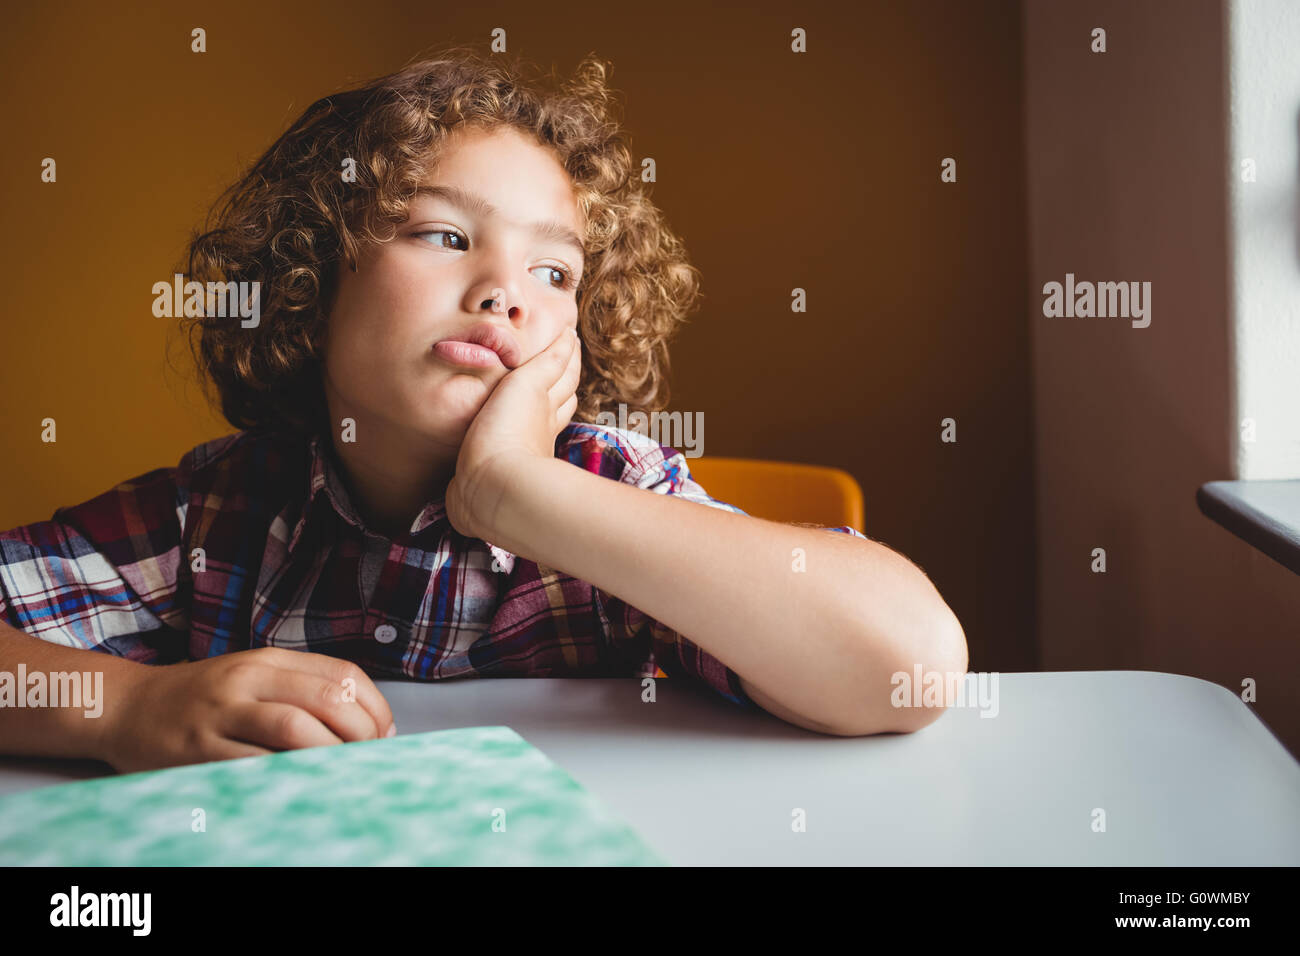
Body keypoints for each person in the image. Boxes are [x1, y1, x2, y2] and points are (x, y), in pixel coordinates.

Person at [0, 46, 967, 774]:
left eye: (555, 270)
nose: (508, 290)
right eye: (444, 233)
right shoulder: (217, 513)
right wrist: (127, 709)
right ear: (313, 279)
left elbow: (908, 666)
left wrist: (515, 492)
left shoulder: (609, 490)